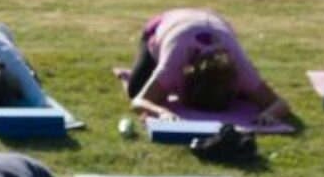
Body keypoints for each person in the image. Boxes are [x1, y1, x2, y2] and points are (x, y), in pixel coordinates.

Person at [124, 8, 289, 125]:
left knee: (250, 95)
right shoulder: (174, 64)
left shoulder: (241, 70)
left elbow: (280, 104)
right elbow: (138, 101)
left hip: (210, 20)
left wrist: (269, 114)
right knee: (135, 89)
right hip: (163, 26)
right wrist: (162, 113)